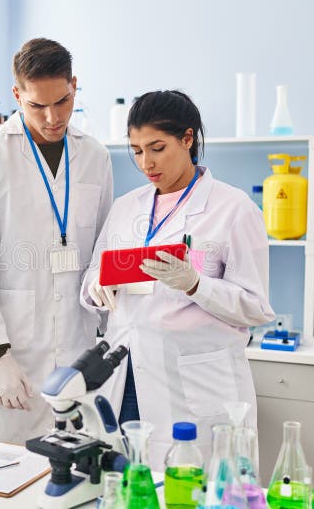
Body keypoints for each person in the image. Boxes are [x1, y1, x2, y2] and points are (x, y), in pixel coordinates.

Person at [80, 90, 274, 469]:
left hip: (195, 383)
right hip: (127, 378)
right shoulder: (126, 208)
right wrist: (96, 286)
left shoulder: (233, 209)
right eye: (136, 150)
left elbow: (255, 307)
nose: (145, 163)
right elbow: (92, 276)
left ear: (187, 139)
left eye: (157, 148)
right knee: (132, 486)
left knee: (194, 488)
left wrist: (195, 284)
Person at [0, 38, 113, 445]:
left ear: (74, 85)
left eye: (62, 101)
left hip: (79, 355)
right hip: (13, 357)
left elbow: (103, 252)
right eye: (37, 105)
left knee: (76, 481)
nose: (52, 117)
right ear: (16, 94)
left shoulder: (95, 156)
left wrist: (111, 336)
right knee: (8, 481)